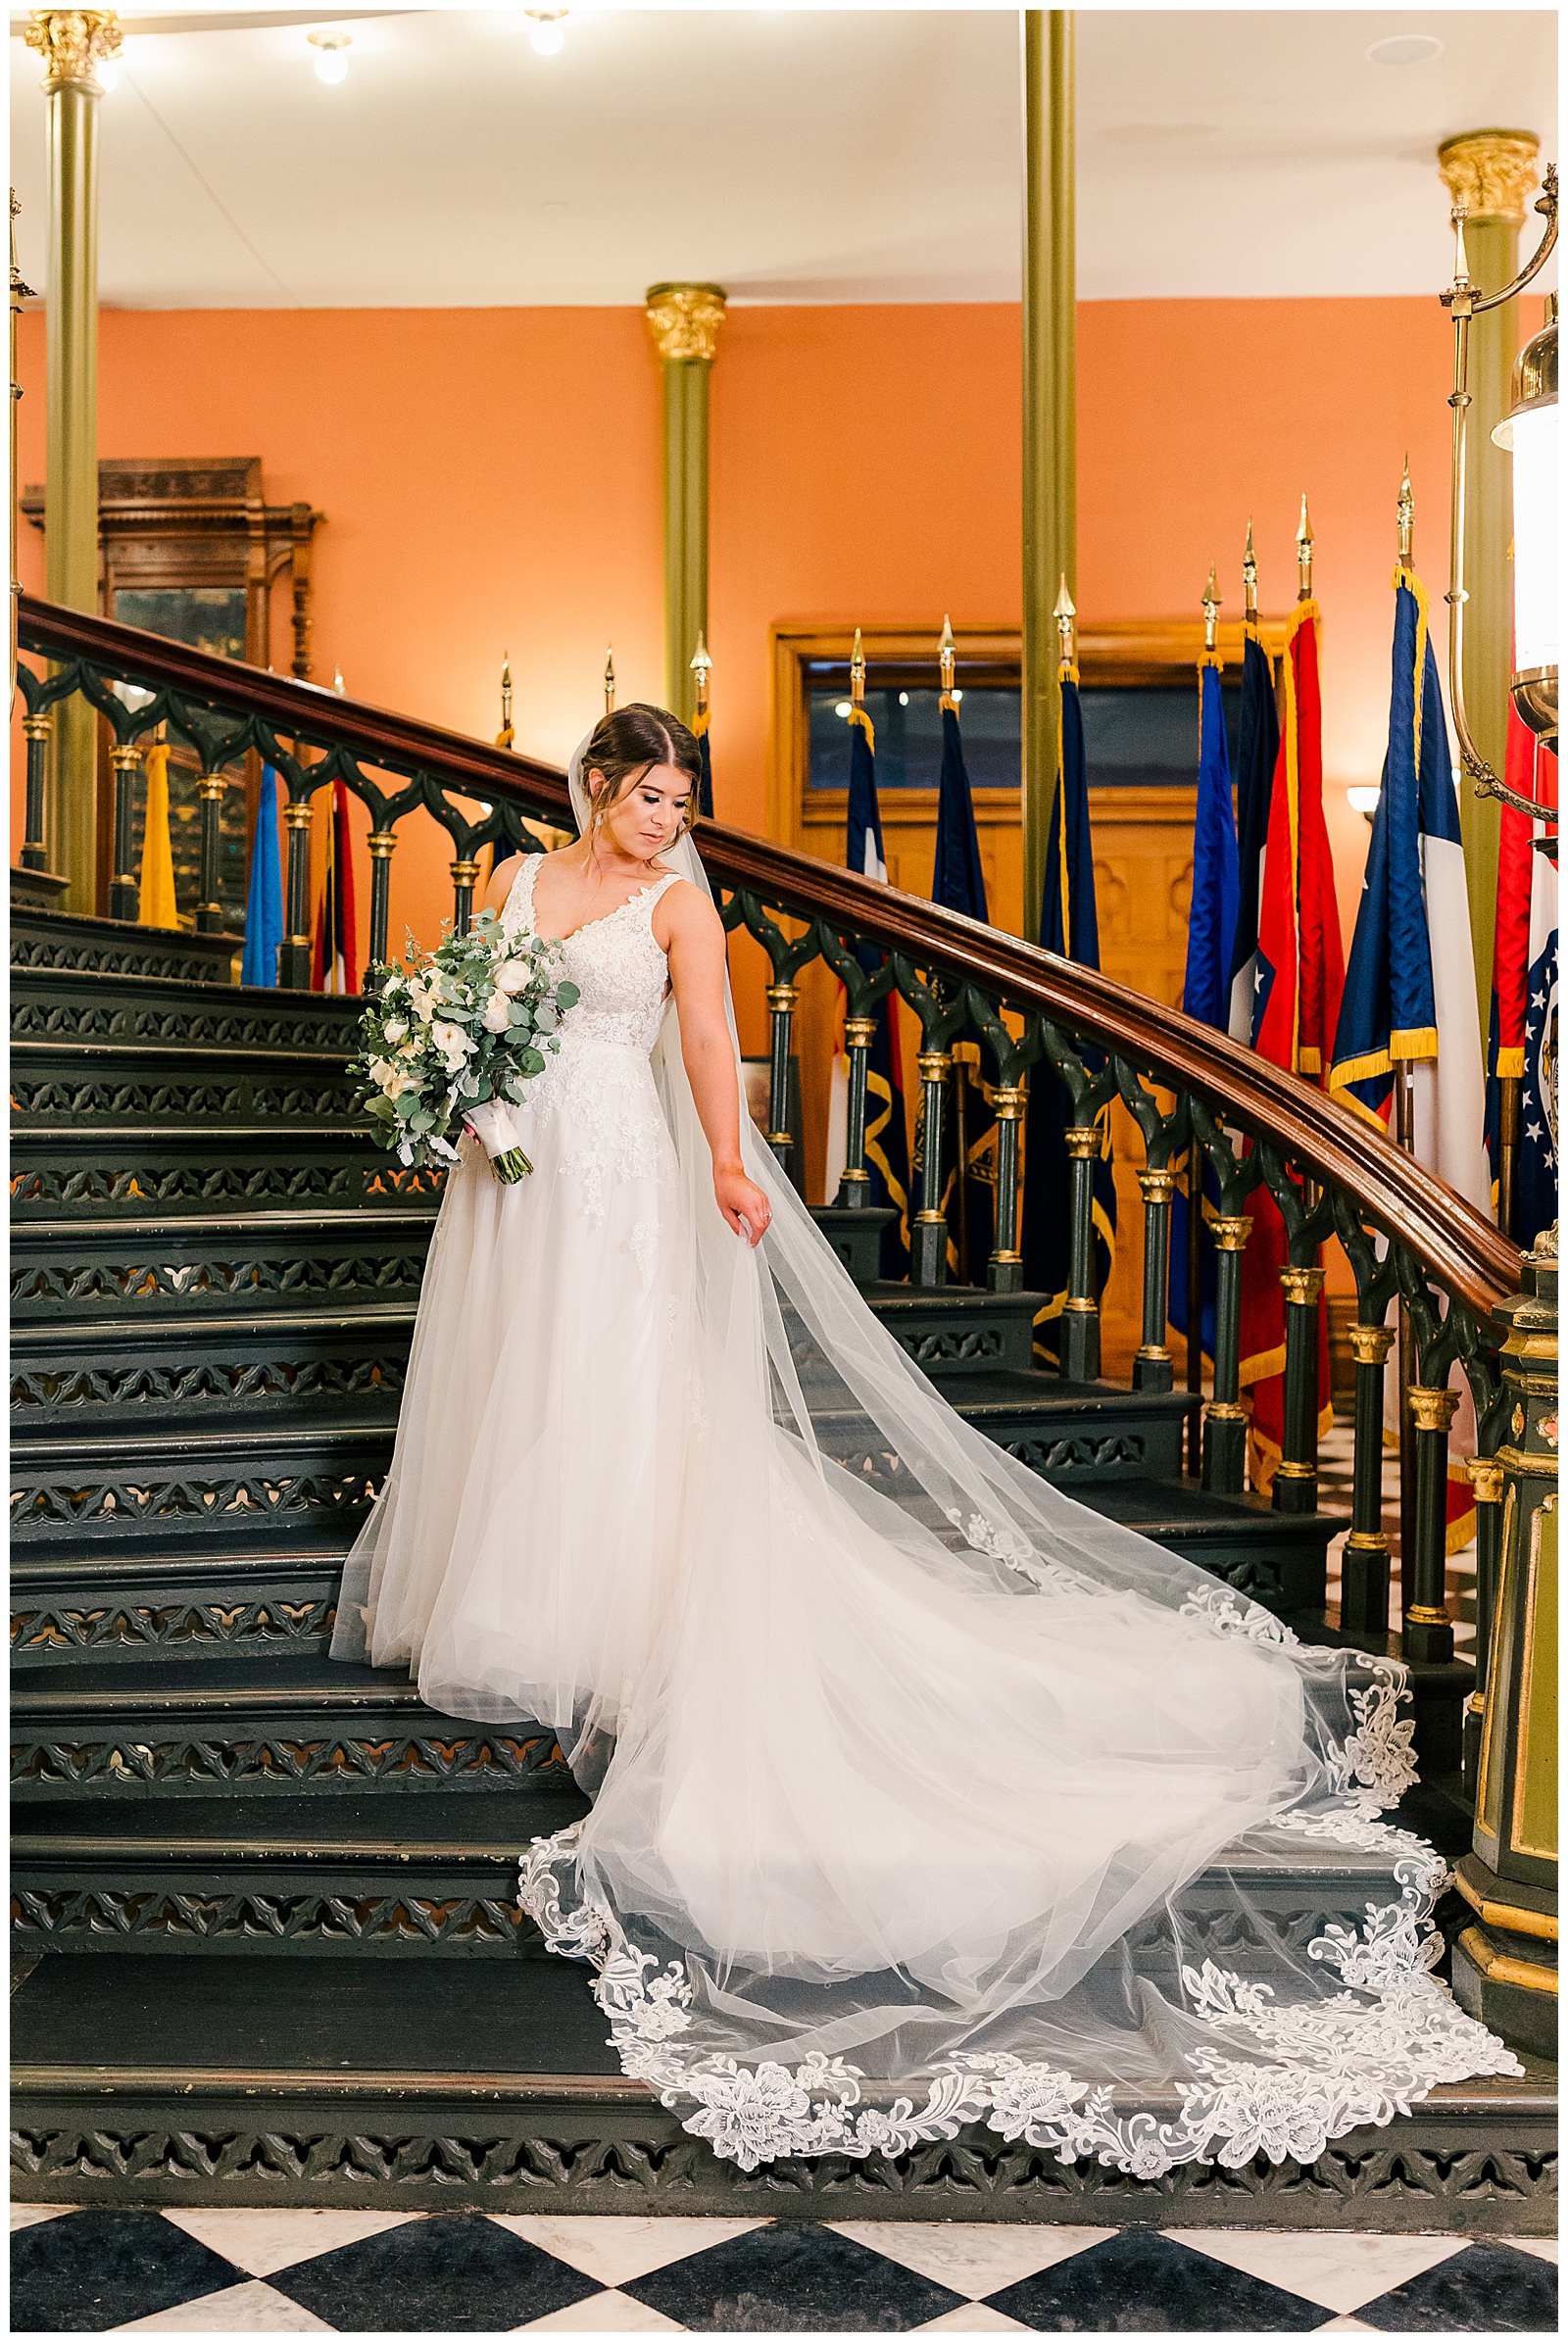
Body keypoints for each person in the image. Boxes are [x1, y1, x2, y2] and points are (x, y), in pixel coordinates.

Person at [332, 703, 1514, 2177]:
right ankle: (507, 1581)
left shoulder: (678, 901)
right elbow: (458, 996)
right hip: (511, 1168)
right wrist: (448, 1085)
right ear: (591, 787)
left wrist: (721, 1160)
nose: (669, 815)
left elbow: (705, 1038)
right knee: (520, 1372)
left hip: (622, 1175)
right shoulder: (514, 881)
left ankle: (616, 1607)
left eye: (682, 795)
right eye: (648, 794)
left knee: (620, 1381)